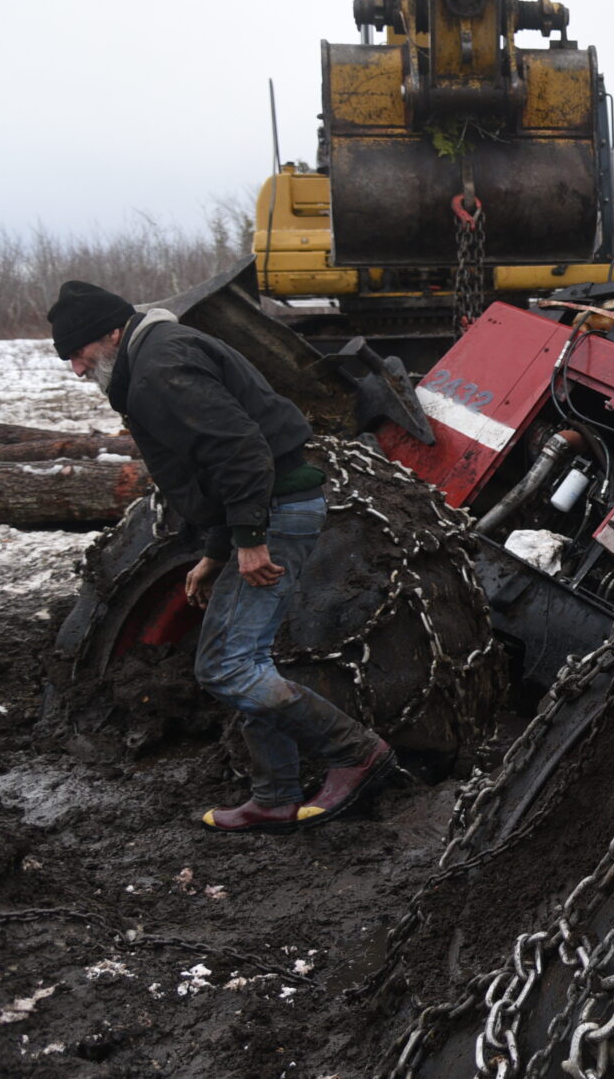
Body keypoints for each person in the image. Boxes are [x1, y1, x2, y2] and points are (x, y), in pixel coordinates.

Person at [49, 280, 393, 834]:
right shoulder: (154, 357)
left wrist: (251, 538)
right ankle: (276, 795)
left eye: (78, 353)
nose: (77, 369)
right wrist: (215, 553)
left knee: (227, 665)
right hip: (273, 509)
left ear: (110, 333)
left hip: (275, 512)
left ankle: (356, 752)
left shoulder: (161, 367)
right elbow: (206, 469)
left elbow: (241, 452)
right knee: (246, 658)